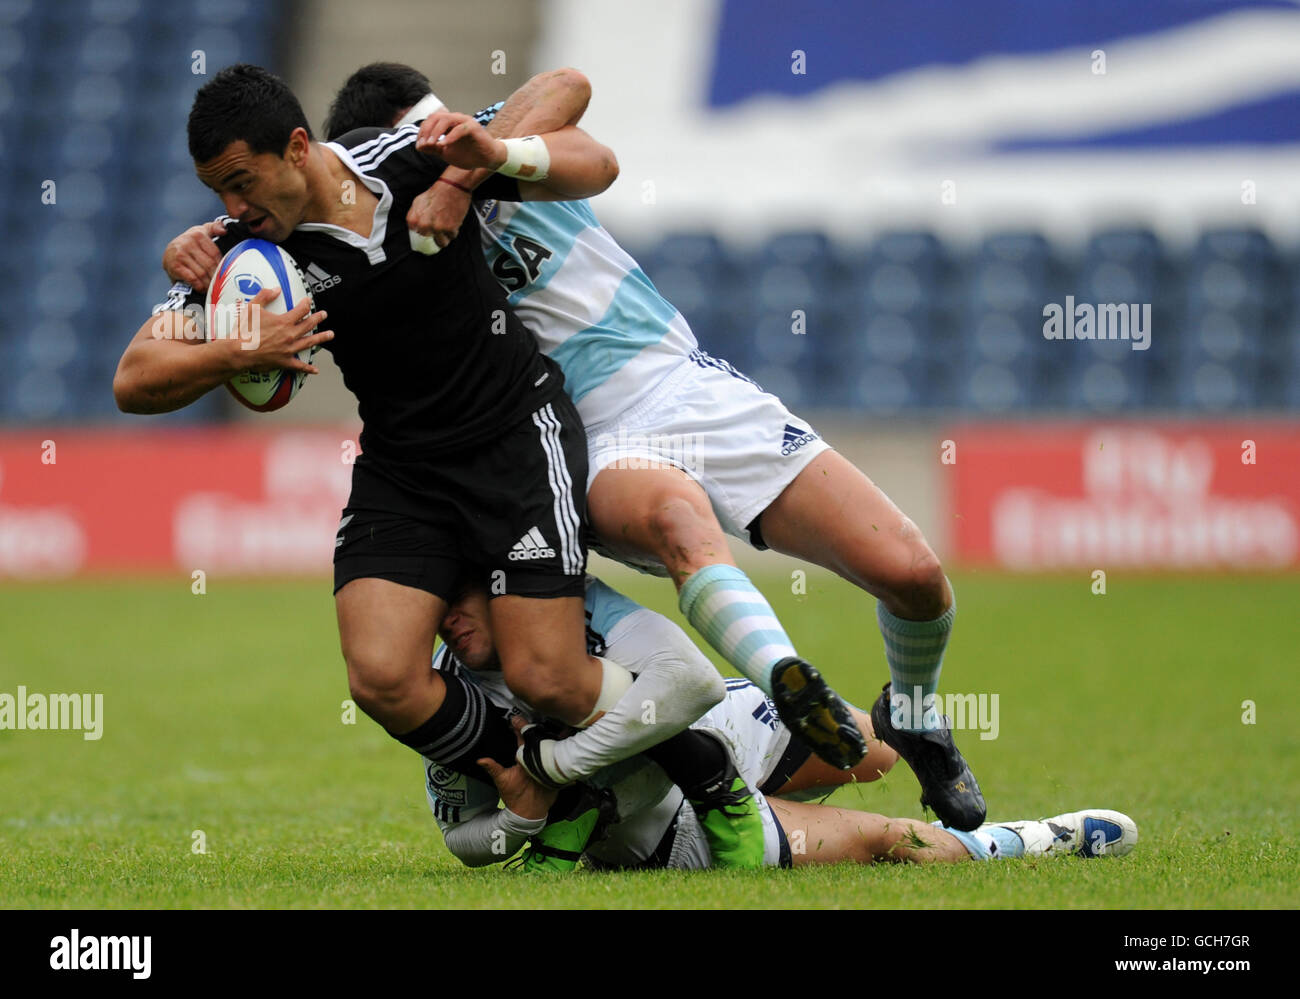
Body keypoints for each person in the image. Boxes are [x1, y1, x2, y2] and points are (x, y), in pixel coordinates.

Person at [115, 64, 768, 866]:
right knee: (382, 674)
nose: (231, 209)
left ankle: (709, 771)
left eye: (242, 183)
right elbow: (134, 376)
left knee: (552, 677)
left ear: (297, 148)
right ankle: (526, 774)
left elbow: (570, 103)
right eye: (217, 193)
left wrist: (466, 176)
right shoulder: (244, 255)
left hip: (513, 441)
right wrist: (241, 345)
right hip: (405, 469)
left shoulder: (406, 156)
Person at [313, 62, 987, 829]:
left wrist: (467, 172)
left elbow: (566, 84)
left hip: (689, 382)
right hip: (578, 436)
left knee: (913, 573)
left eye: (446, 124)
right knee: (677, 520)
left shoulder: (502, 144)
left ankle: (916, 712)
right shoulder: (391, 240)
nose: (443, 141)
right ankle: (792, 686)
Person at [422, 576, 1138, 871]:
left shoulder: (562, 596)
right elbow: (460, 836)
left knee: (882, 755)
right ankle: (1035, 838)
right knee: (890, 841)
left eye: (460, 595)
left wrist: (558, 760)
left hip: (723, 716)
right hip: (668, 822)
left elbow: (684, 677)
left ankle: (919, 724)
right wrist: (519, 821)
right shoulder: (444, 703)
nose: (449, 618)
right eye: (435, 605)